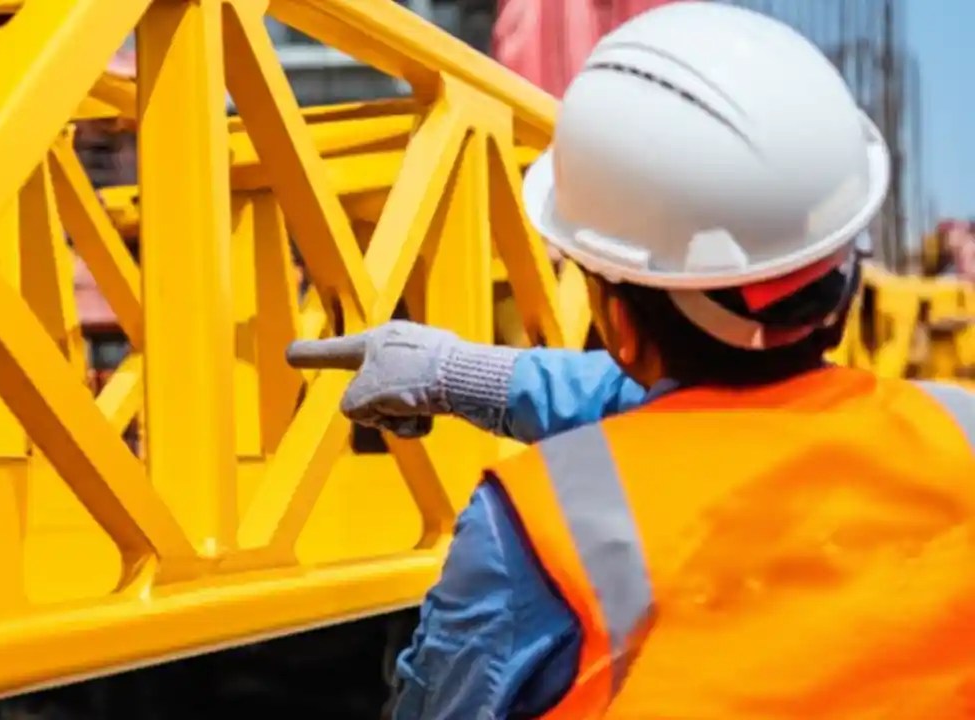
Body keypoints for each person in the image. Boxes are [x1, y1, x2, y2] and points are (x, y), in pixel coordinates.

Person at [288, 3, 975, 718]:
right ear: (843, 276)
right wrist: (464, 374)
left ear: (615, 319)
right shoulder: (958, 434)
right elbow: (730, 428)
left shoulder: (532, 529)